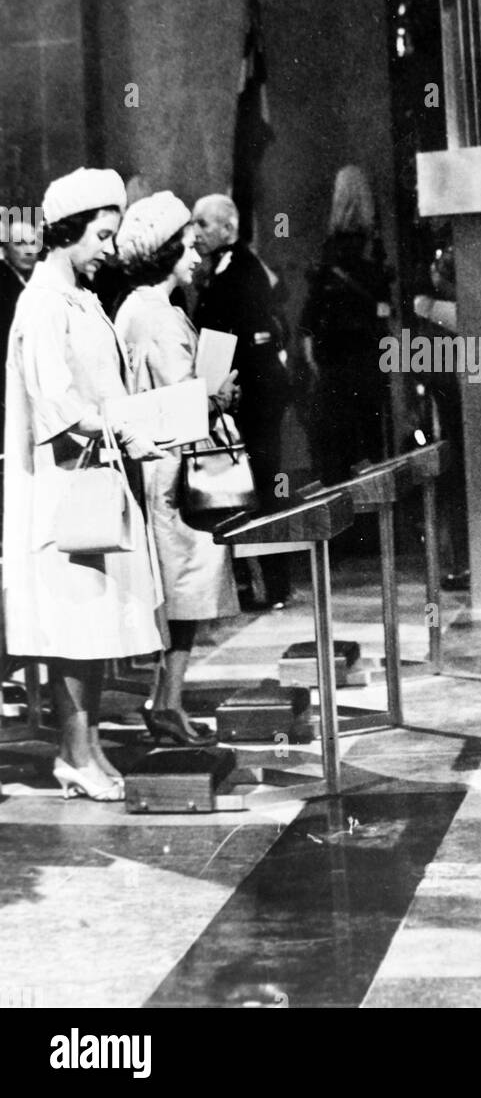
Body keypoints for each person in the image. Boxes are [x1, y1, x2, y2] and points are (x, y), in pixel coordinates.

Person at [3, 168, 166, 802]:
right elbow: (56, 407)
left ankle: (88, 744)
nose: (109, 246)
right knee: (74, 626)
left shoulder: (80, 295)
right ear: (68, 231)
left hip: (93, 479)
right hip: (64, 490)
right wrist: (122, 423)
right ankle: (73, 753)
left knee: (96, 624)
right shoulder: (42, 301)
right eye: (101, 234)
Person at [114, 192, 240, 746]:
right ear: (164, 251)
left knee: (178, 592)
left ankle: (166, 700)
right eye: (186, 247)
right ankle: (167, 702)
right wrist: (217, 396)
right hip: (176, 472)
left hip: (156, 469)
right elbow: (178, 400)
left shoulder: (132, 308)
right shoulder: (161, 317)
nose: (196, 256)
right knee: (185, 591)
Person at [191, 194, 292, 608]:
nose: (196, 233)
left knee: (259, 486)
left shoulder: (236, 270)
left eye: (203, 224)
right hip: (256, 391)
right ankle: (267, 582)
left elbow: (219, 333)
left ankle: (271, 583)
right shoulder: (234, 266)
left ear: (227, 229)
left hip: (253, 395)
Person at [299, 166, 393, 487]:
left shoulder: (326, 261)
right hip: (367, 368)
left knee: (337, 463)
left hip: (334, 373)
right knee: (371, 452)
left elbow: (309, 330)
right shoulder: (373, 257)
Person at [0, 221, 39, 430]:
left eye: (33, 243)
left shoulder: (38, 281)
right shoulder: (3, 282)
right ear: (5, 248)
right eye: (20, 243)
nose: (29, 250)